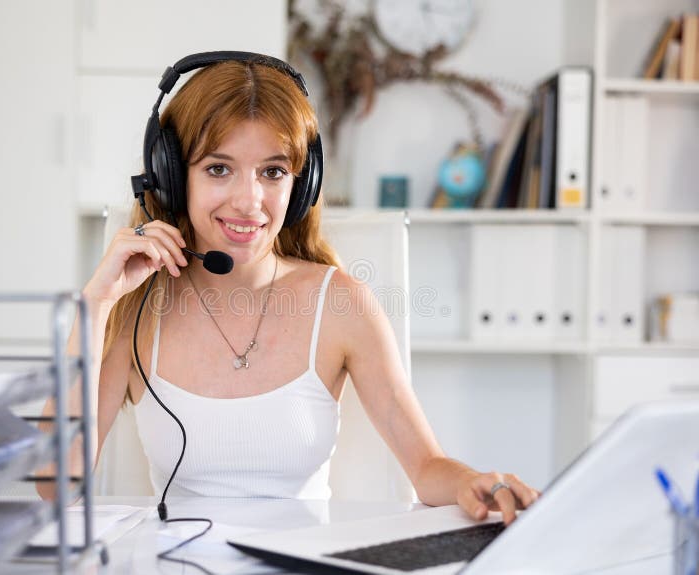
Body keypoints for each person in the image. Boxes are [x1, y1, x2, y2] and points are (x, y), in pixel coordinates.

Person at [37, 53, 539, 525]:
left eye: (272, 172)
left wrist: (474, 482)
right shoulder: (135, 308)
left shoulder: (343, 304)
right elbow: (56, 486)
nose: (249, 201)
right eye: (218, 168)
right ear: (171, 178)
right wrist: (96, 304)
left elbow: (427, 467)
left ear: (300, 184)